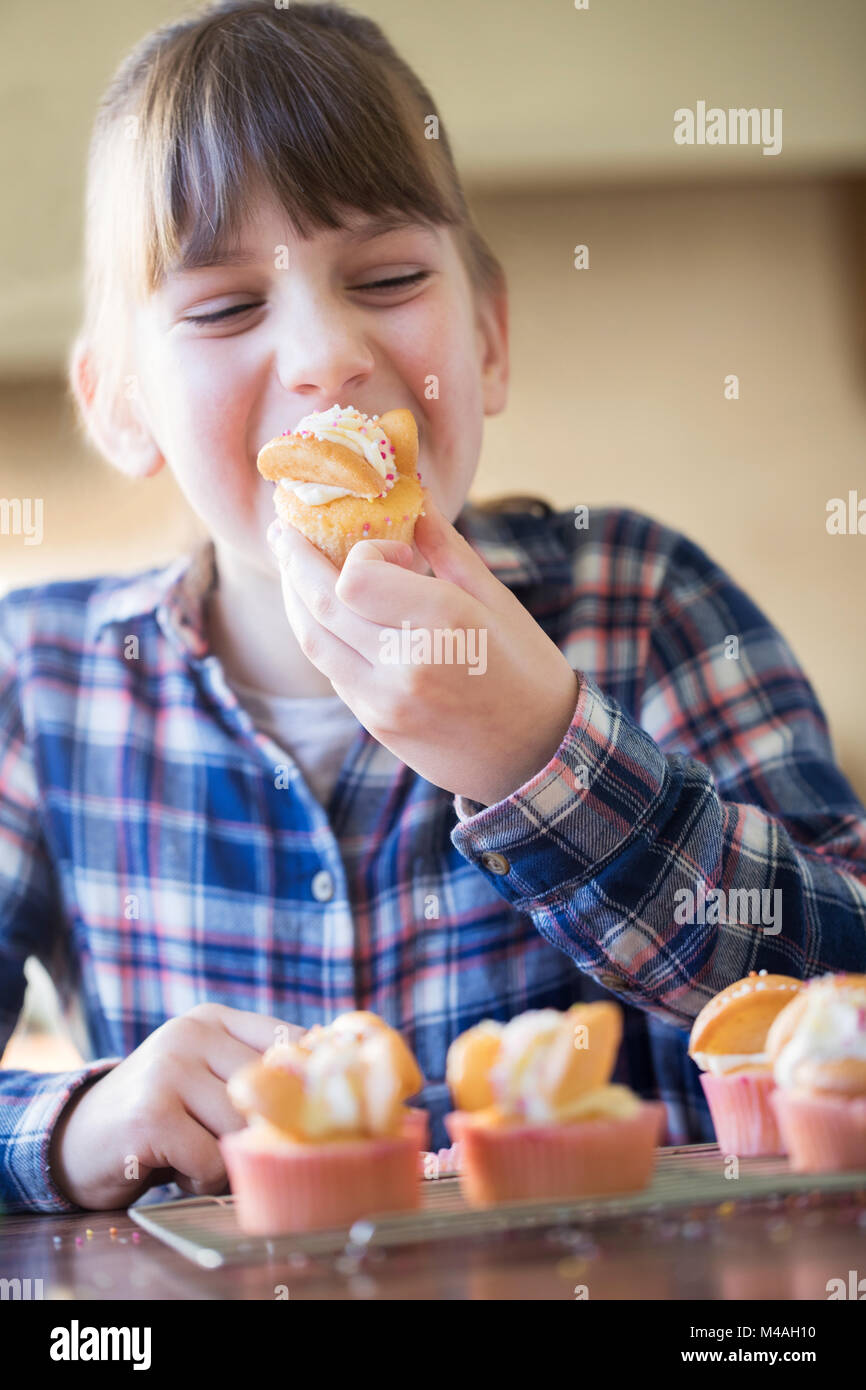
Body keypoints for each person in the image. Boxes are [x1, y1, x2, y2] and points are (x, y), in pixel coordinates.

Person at [1, 1, 864, 1214]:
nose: (324, 355)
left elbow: (842, 985)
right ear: (120, 405)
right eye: (225, 306)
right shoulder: (38, 680)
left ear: (489, 335)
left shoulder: (645, 604)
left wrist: (538, 752)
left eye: (390, 276)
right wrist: (75, 1121)